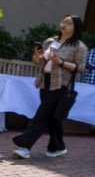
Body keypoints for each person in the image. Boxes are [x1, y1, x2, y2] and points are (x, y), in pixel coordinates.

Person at [11, 15, 87, 159]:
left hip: (61, 83)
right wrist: (36, 55)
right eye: (63, 22)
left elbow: (80, 68)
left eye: (69, 23)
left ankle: (24, 146)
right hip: (45, 81)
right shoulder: (51, 41)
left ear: (76, 27)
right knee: (52, 117)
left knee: (42, 114)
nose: (64, 25)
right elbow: (39, 62)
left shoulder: (79, 47)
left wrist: (60, 62)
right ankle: (58, 147)